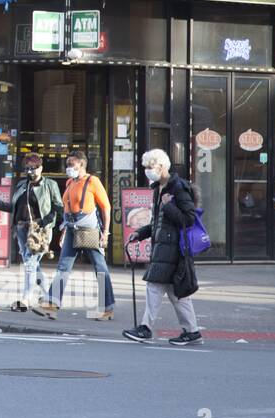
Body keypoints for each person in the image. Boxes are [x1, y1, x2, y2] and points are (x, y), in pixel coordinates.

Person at [123, 148, 203, 346]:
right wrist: (140, 233)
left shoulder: (177, 188)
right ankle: (192, 331)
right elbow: (159, 221)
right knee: (176, 292)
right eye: (146, 167)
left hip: (173, 248)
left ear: (162, 166)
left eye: (151, 167)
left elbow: (189, 218)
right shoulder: (159, 189)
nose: (148, 171)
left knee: (154, 286)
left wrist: (169, 206)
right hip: (164, 246)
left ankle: (146, 328)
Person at [42, 151, 115, 320]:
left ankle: (107, 307)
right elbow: (67, 207)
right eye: (67, 164)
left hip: (89, 230)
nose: (68, 167)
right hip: (72, 228)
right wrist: (65, 230)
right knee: (63, 266)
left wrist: (105, 232)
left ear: (82, 164)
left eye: (72, 164)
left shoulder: (93, 181)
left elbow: (106, 207)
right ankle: (52, 304)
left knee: (100, 267)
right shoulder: (70, 182)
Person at [0, 153, 60, 313]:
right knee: (33, 265)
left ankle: (25, 299)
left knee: (30, 264)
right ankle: (48, 296)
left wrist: (44, 223)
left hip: (40, 231)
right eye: (28, 168)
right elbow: (12, 207)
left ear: (41, 168)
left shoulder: (50, 185)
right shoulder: (21, 185)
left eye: (34, 168)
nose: (31, 171)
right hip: (21, 228)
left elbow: (58, 207)